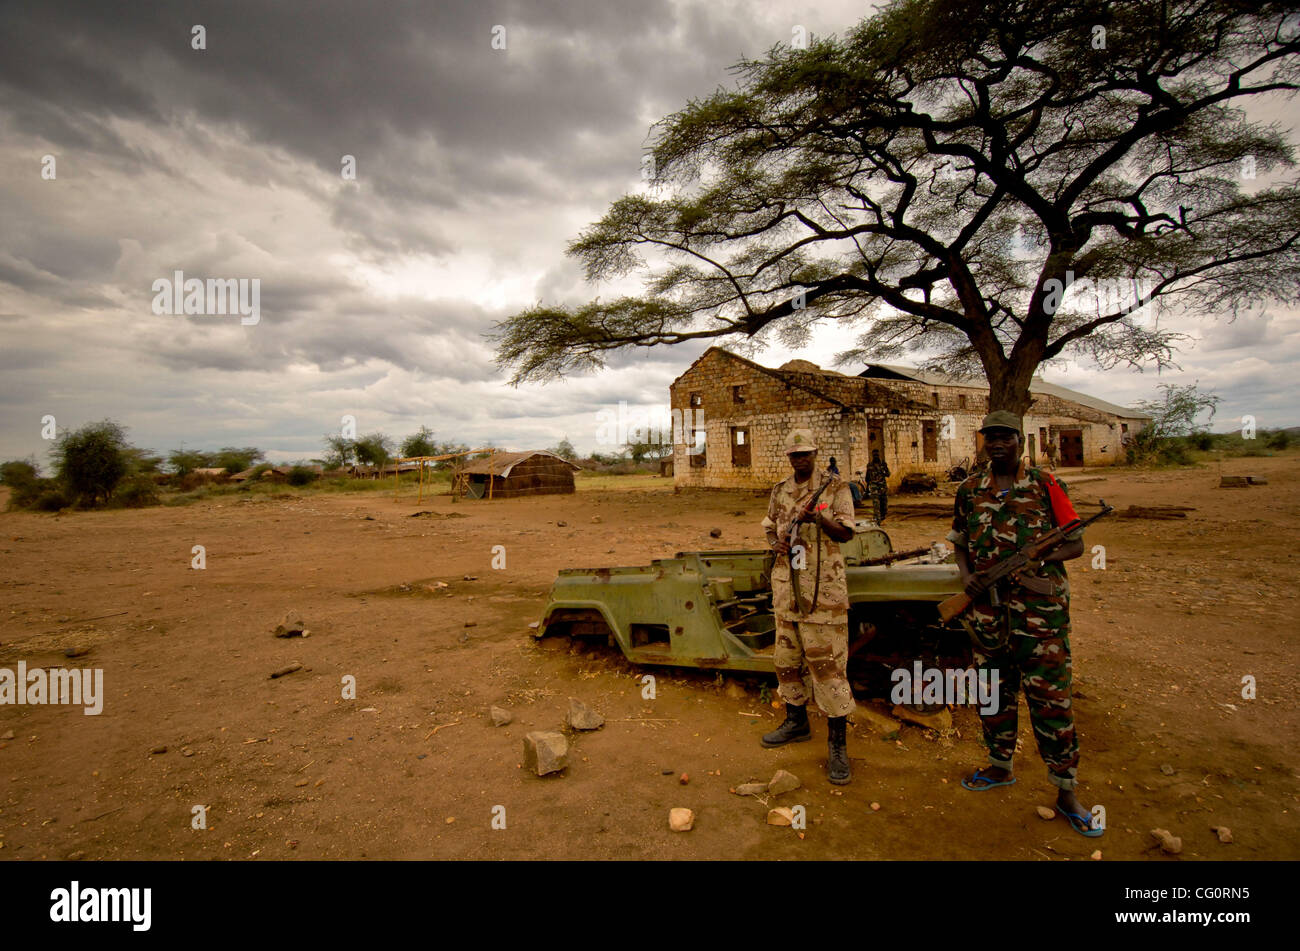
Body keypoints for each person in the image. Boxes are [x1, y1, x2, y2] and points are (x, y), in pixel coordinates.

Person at [947, 411, 1101, 837]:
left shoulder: (1047, 485)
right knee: (993, 693)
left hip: (1040, 617)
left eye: (1006, 438)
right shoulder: (968, 490)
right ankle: (1000, 766)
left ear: (1021, 442)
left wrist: (1037, 558)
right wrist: (968, 578)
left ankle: (1066, 790)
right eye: (990, 438)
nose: (997, 444)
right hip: (988, 614)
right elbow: (959, 542)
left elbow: (1075, 543)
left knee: (1051, 701)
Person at [759, 429, 857, 784]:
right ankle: (796, 722)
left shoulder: (835, 489)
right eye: (794, 455)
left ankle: (837, 744)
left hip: (823, 593)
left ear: (816, 453)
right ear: (789, 457)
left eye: (806, 453)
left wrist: (819, 518)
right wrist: (777, 546)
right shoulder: (780, 490)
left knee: (828, 669)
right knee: (786, 662)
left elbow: (847, 533)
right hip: (787, 590)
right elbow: (770, 526)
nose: (800, 459)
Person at [864, 449, 890, 522]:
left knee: (884, 505)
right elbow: (867, 478)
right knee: (876, 505)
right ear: (872, 456)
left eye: (877, 455)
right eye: (874, 455)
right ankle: (877, 519)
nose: (876, 456)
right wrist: (867, 489)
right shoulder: (869, 465)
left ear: (879, 455)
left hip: (882, 488)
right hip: (874, 488)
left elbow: (888, 475)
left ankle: (882, 516)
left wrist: (885, 468)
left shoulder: (883, 464)